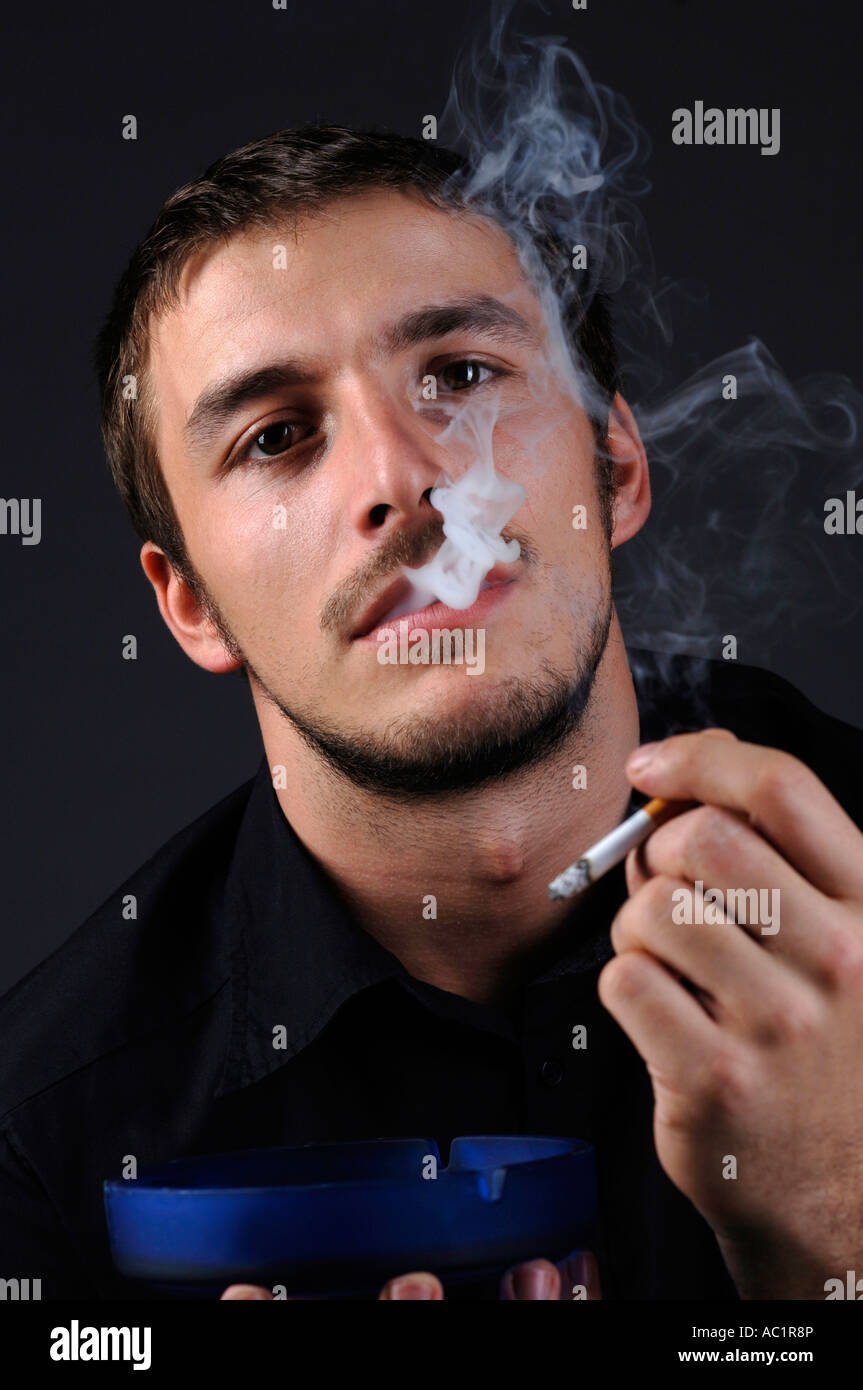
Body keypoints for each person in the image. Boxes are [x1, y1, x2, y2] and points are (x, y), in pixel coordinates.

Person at [2, 127, 862, 1301]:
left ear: (611, 464)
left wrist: (831, 1235)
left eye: (458, 373)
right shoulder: (41, 1132)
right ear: (191, 602)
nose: (401, 479)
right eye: (276, 435)